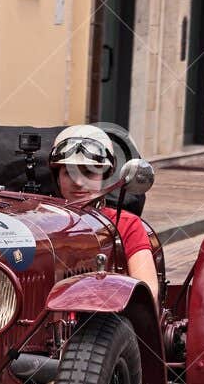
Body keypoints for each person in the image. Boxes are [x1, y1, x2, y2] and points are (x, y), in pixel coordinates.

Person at [49, 126, 160, 299]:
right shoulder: (42, 223)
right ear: (57, 177)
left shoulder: (125, 223)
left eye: (89, 172)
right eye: (69, 173)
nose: (78, 182)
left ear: (105, 176)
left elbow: (147, 290)